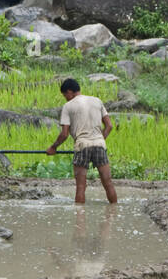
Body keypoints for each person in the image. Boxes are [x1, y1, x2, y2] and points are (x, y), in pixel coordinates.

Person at [46, 77, 117, 205]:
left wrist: (53, 147)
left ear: (69, 92)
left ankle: (79, 221)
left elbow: (64, 134)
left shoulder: (68, 106)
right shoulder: (97, 101)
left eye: (65, 95)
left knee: (80, 187)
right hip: (100, 144)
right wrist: (100, 139)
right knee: (108, 183)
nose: (65, 98)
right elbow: (109, 126)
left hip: (82, 145)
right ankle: (114, 212)